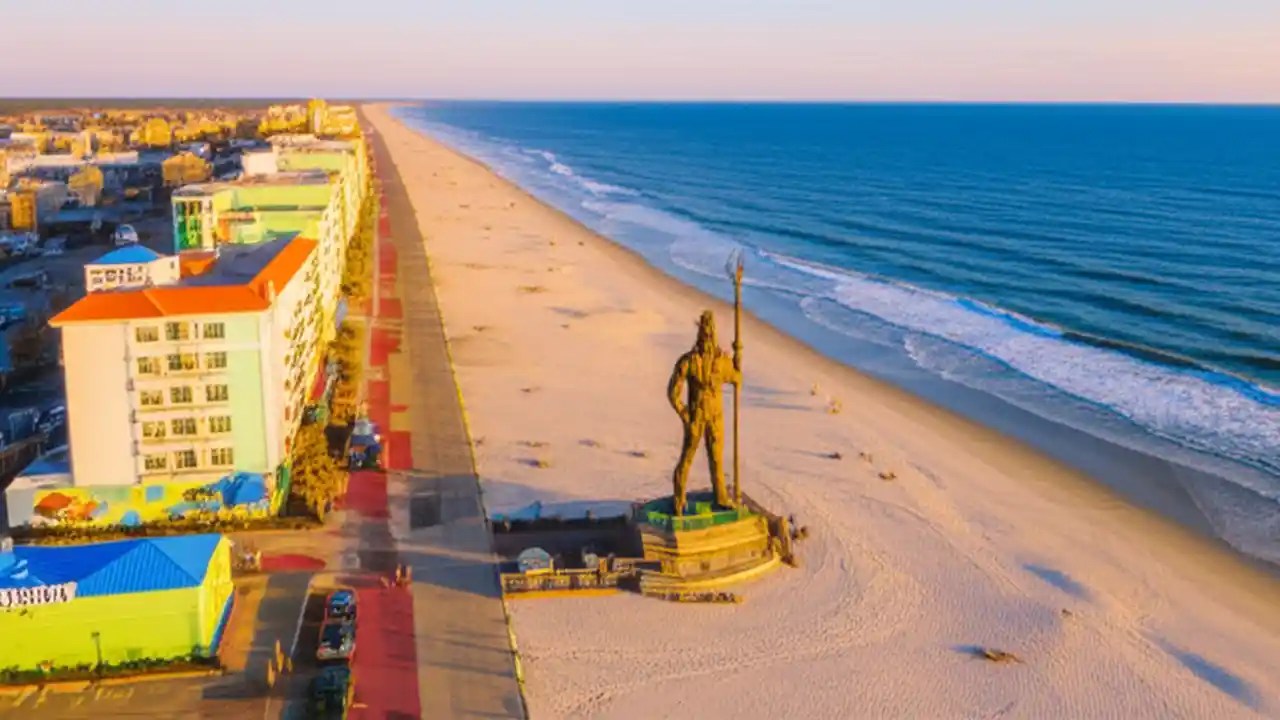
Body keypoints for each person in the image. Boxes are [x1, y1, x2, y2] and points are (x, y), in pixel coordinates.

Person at [667, 311, 742, 515]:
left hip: (715, 417)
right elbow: (673, 392)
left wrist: (737, 358)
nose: (708, 336)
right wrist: (684, 415)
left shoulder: (721, 361)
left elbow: (736, 378)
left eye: (710, 333)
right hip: (697, 416)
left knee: (716, 459)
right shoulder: (689, 361)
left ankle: (721, 497)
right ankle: (679, 498)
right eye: (705, 332)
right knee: (687, 458)